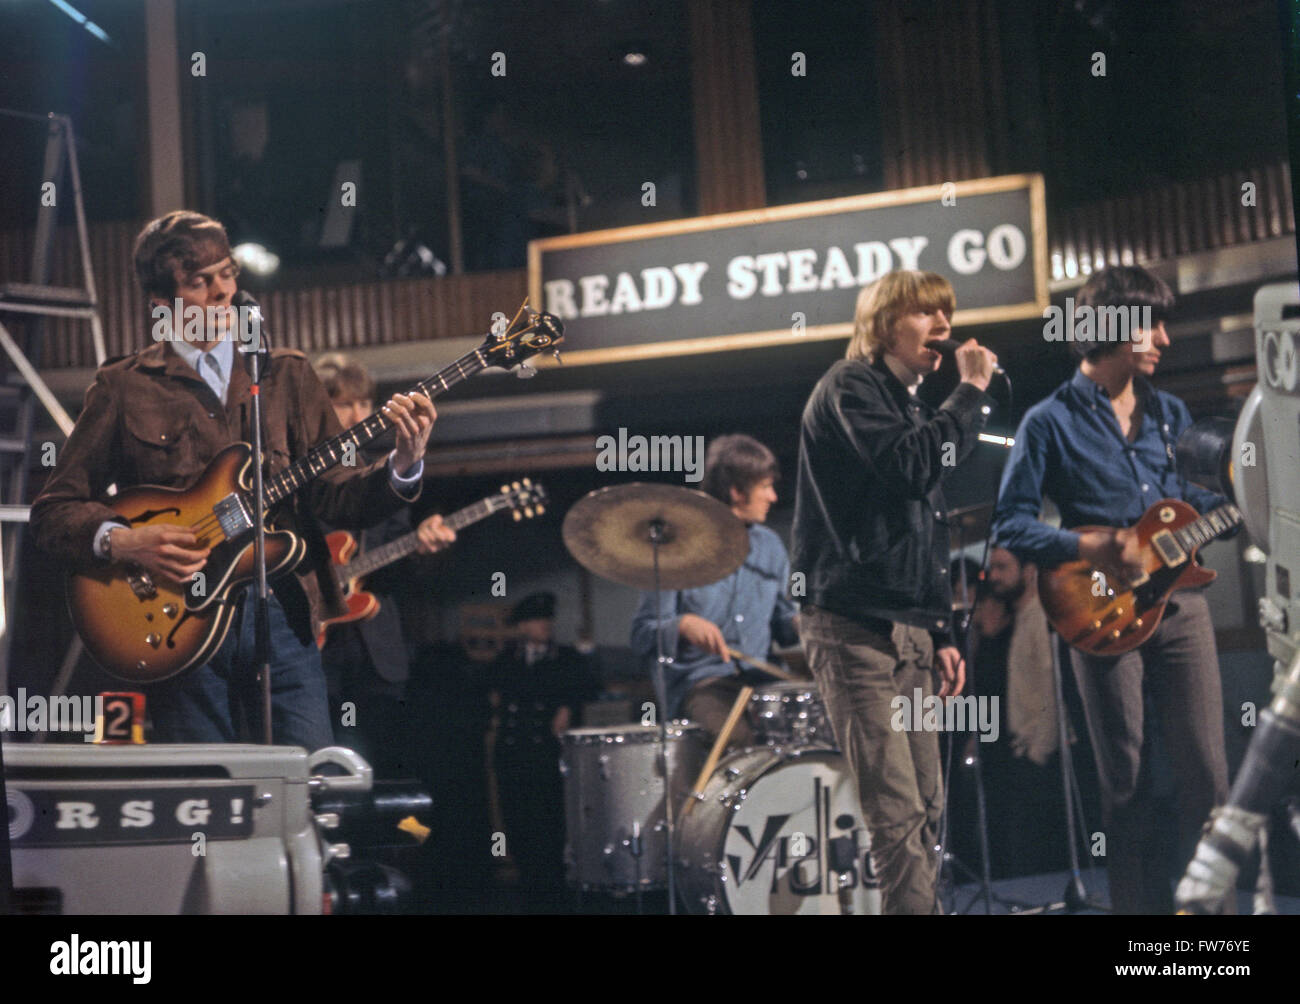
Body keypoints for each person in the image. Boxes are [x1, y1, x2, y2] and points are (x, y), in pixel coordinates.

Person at [30, 210, 438, 751]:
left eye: (227, 273)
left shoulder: (285, 374)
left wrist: (402, 465)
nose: (223, 291)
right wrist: (126, 540)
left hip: (285, 614)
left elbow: (333, 492)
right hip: (181, 620)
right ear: (162, 304)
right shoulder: (125, 387)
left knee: (310, 785)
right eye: (200, 282)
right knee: (211, 797)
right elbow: (53, 511)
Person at [991, 264, 1232, 914]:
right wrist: (1088, 545)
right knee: (1125, 784)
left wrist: (1242, 502)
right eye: (1151, 325)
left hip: (1183, 607)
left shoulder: (1171, 413)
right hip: (1098, 608)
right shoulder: (1048, 421)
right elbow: (1009, 523)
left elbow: (1194, 505)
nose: (1164, 339)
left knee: (1208, 776)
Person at [791, 269, 998, 915]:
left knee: (928, 804)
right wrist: (968, 391)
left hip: (905, 627)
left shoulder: (911, 408)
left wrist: (938, 632)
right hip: (851, 624)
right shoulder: (851, 385)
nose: (944, 326)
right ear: (884, 325)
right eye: (926, 314)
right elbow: (913, 467)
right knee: (897, 812)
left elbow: (921, 529)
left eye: (948, 313)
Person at [314, 353, 456, 774]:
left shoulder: (382, 476)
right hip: (317, 653)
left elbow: (405, 572)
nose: (359, 414)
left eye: (365, 403)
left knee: (385, 773)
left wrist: (424, 547)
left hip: (376, 655)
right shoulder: (303, 477)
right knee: (327, 769)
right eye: (344, 404)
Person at [629, 434, 800, 748]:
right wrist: (682, 625)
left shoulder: (770, 546)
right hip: (704, 683)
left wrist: (804, 623)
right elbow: (641, 633)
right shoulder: (677, 548)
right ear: (736, 492)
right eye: (764, 487)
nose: (773, 497)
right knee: (737, 739)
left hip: (760, 678)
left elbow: (783, 624)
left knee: (812, 729)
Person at [489, 591, 599, 913]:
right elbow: (491, 691)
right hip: (513, 754)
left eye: (547, 619)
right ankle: (528, 892)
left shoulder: (564, 659)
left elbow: (587, 685)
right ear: (523, 625)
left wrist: (567, 706)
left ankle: (555, 895)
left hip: (546, 756)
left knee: (551, 827)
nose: (544, 626)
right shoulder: (507, 659)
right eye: (537, 620)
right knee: (519, 826)